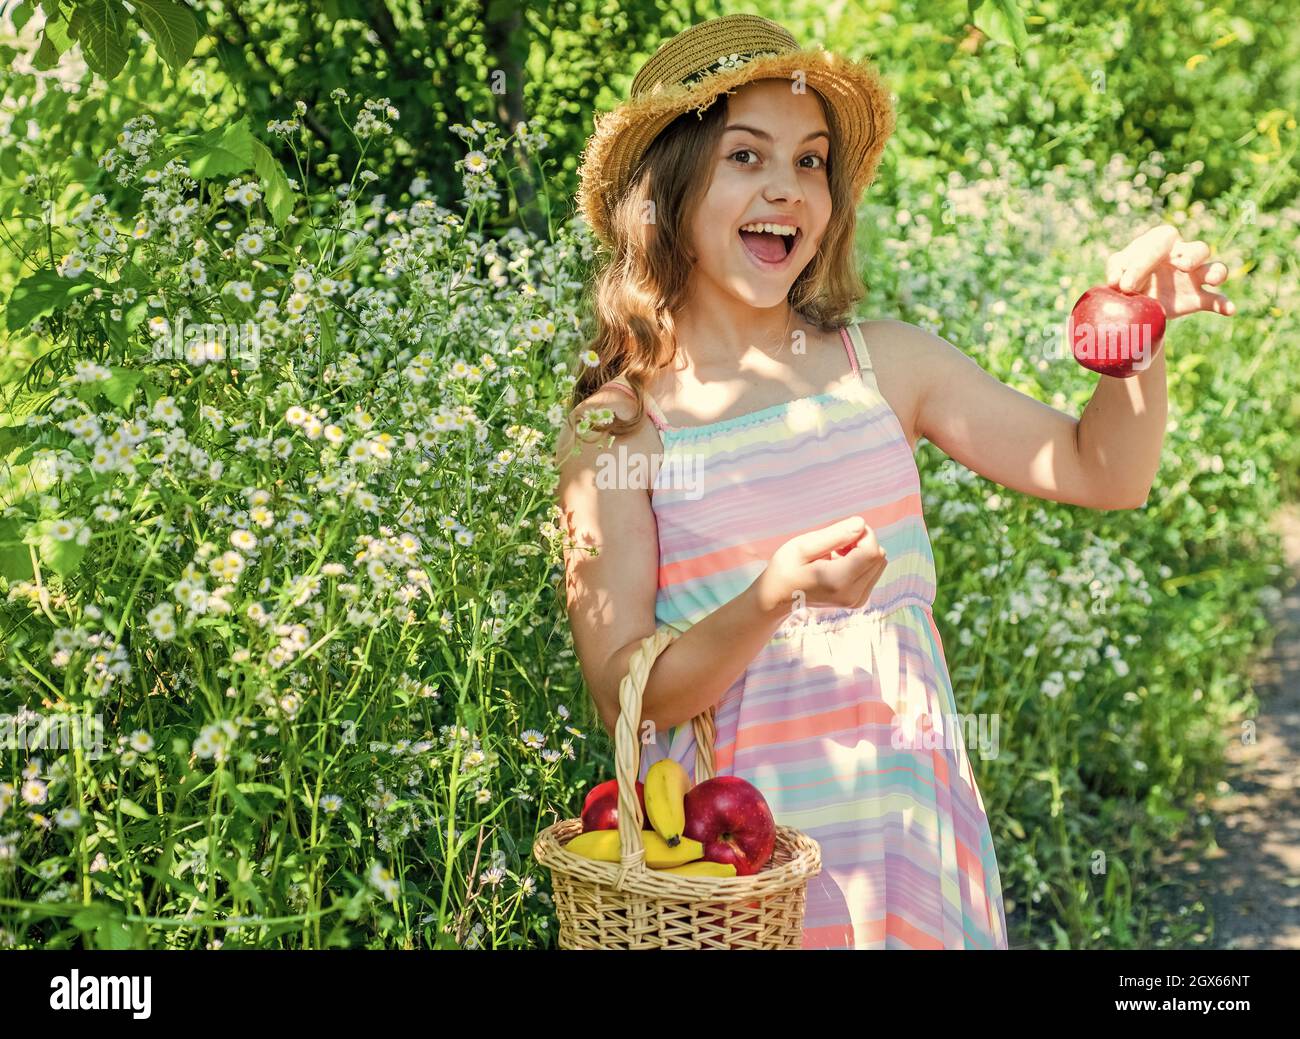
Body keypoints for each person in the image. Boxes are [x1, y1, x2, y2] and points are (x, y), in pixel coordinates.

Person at [553, 13, 1235, 950]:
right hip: (737, 871)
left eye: (811, 161)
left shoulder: (888, 367)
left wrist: (1138, 338)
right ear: (668, 189)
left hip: (908, 840)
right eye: (746, 157)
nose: (788, 190)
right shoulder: (620, 427)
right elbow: (629, 687)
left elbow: (1101, 470)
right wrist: (774, 595)